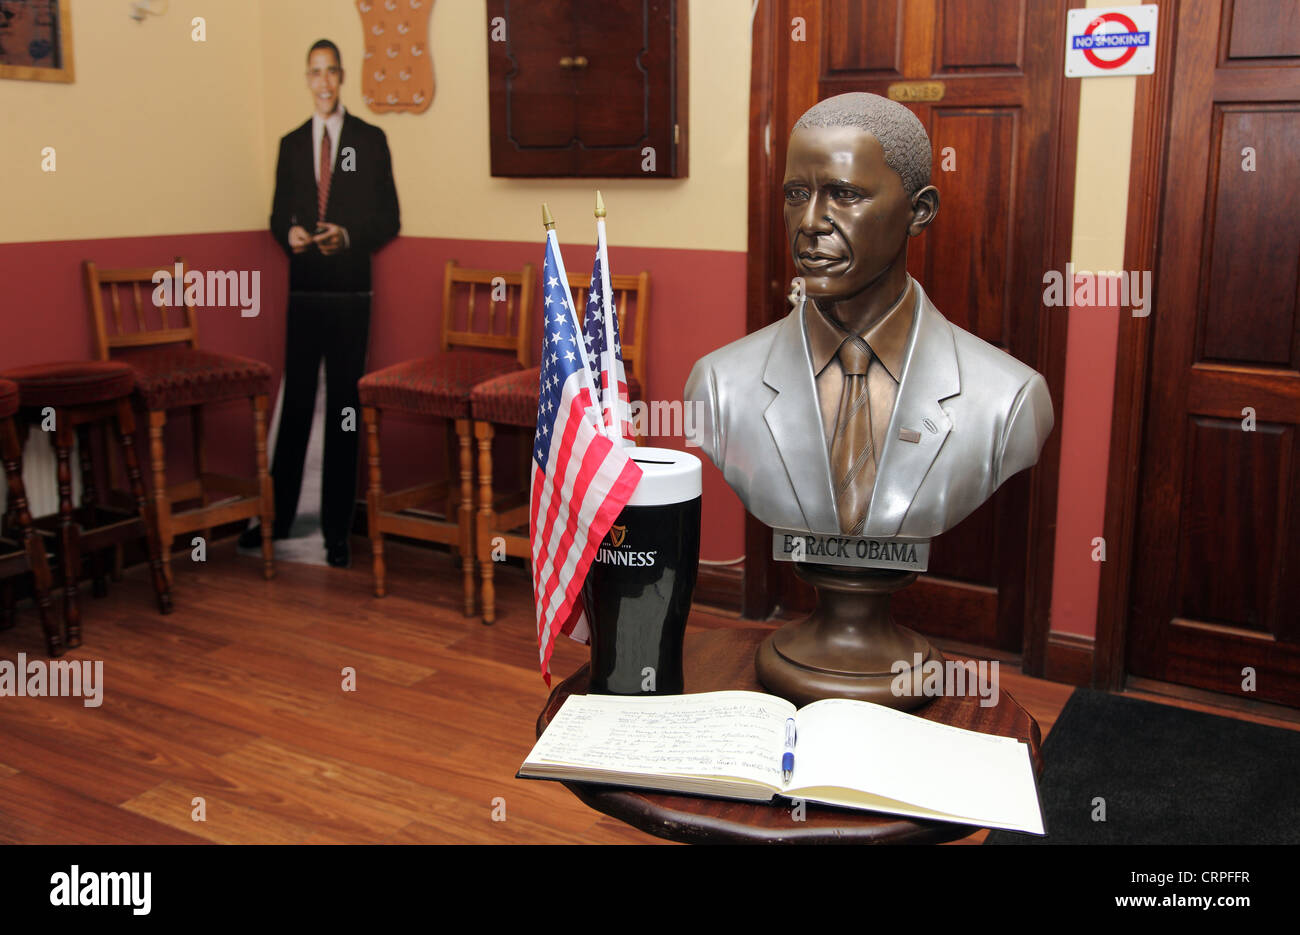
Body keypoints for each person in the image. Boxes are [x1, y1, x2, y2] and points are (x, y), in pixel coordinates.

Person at [684, 92, 1052, 540]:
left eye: (844, 194)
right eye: (797, 195)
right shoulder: (719, 384)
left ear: (919, 211)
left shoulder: (1008, 399)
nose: (811, 222)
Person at [240, 38, 400, 567]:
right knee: (299, 404)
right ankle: (278, 518)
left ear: (343, 76)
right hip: (304, 292)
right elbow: (276, 216)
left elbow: (389, 219)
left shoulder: (370, 140)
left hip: (352, 293)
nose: (324, 81)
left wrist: (347, 236)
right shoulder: (289, 144)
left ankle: (336, 532)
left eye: (331, 71)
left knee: (344, 410)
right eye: (315, 72)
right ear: (307, 79)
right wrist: (290, 234)